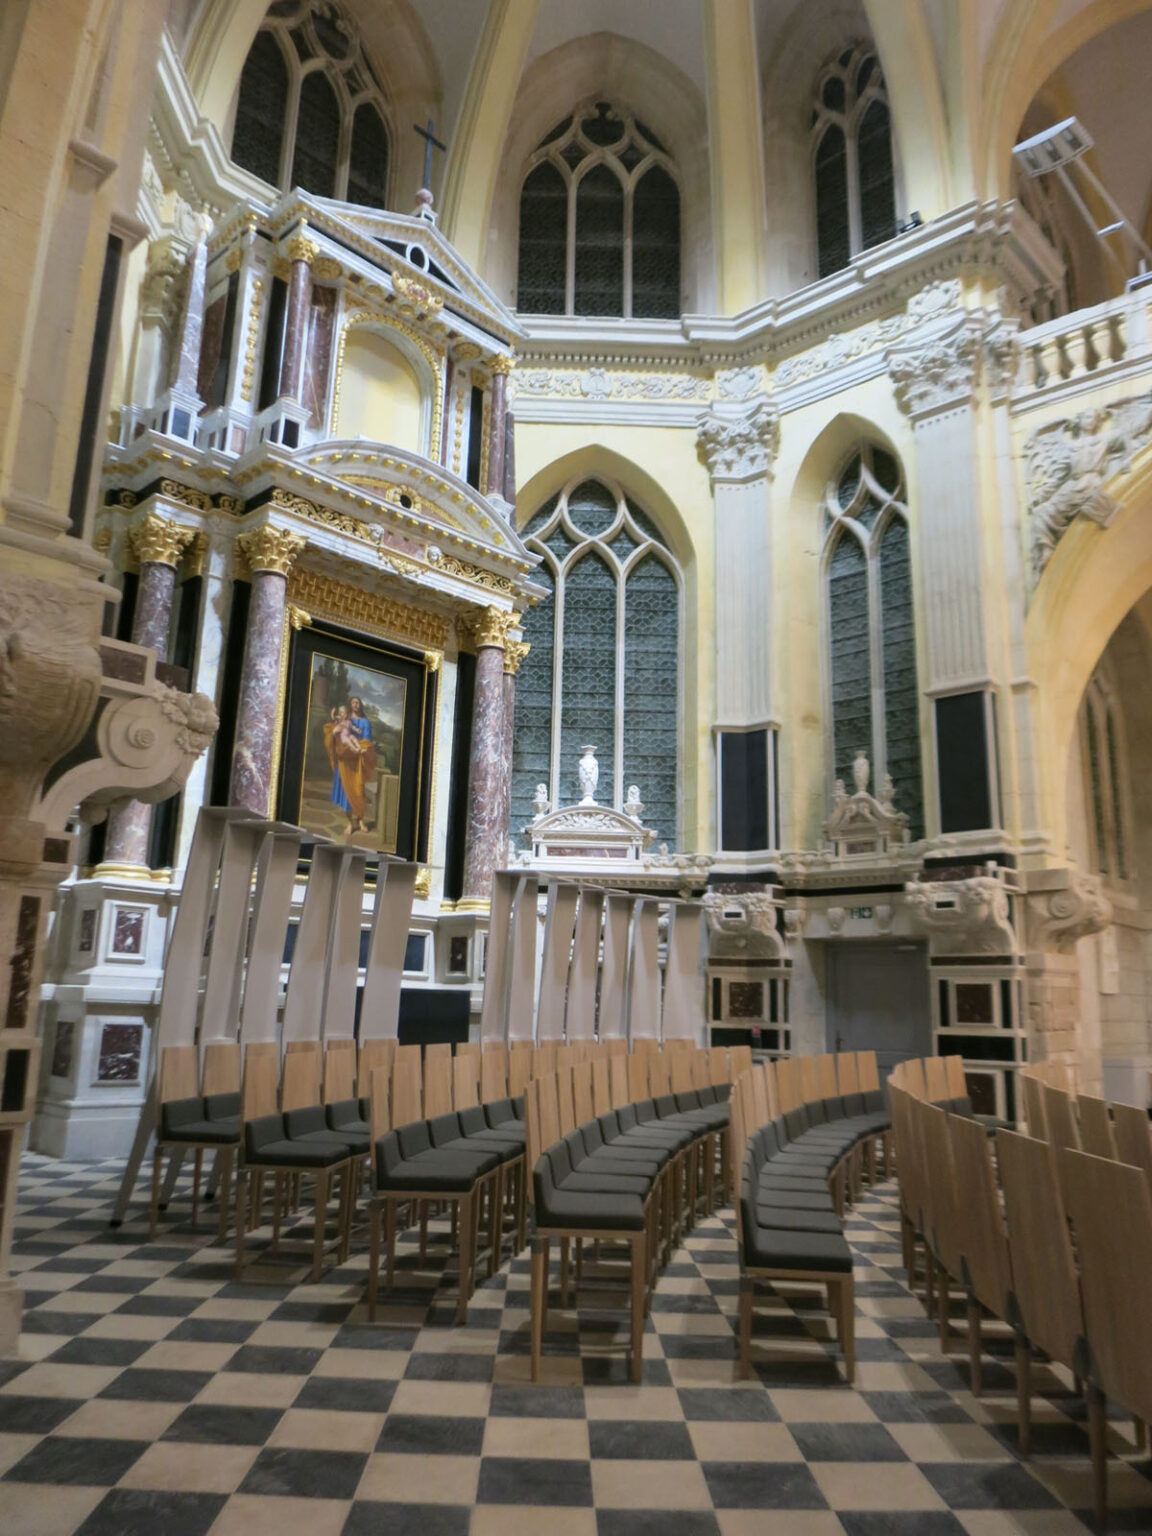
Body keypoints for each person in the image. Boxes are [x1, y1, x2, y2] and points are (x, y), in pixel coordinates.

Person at [324, 700, 376, 835]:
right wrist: (335, 733)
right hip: (344, 762)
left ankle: (360, 821)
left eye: (358, 703)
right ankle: (350, 823)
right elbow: (334, 734)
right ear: (350, 706)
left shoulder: (365, 723)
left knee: (358, 792)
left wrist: (358, 747)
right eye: (353, 703)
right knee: (346, 795)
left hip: (357, 761)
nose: (356, 705)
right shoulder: (343, 720)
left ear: (361, 705)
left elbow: (367, 741)